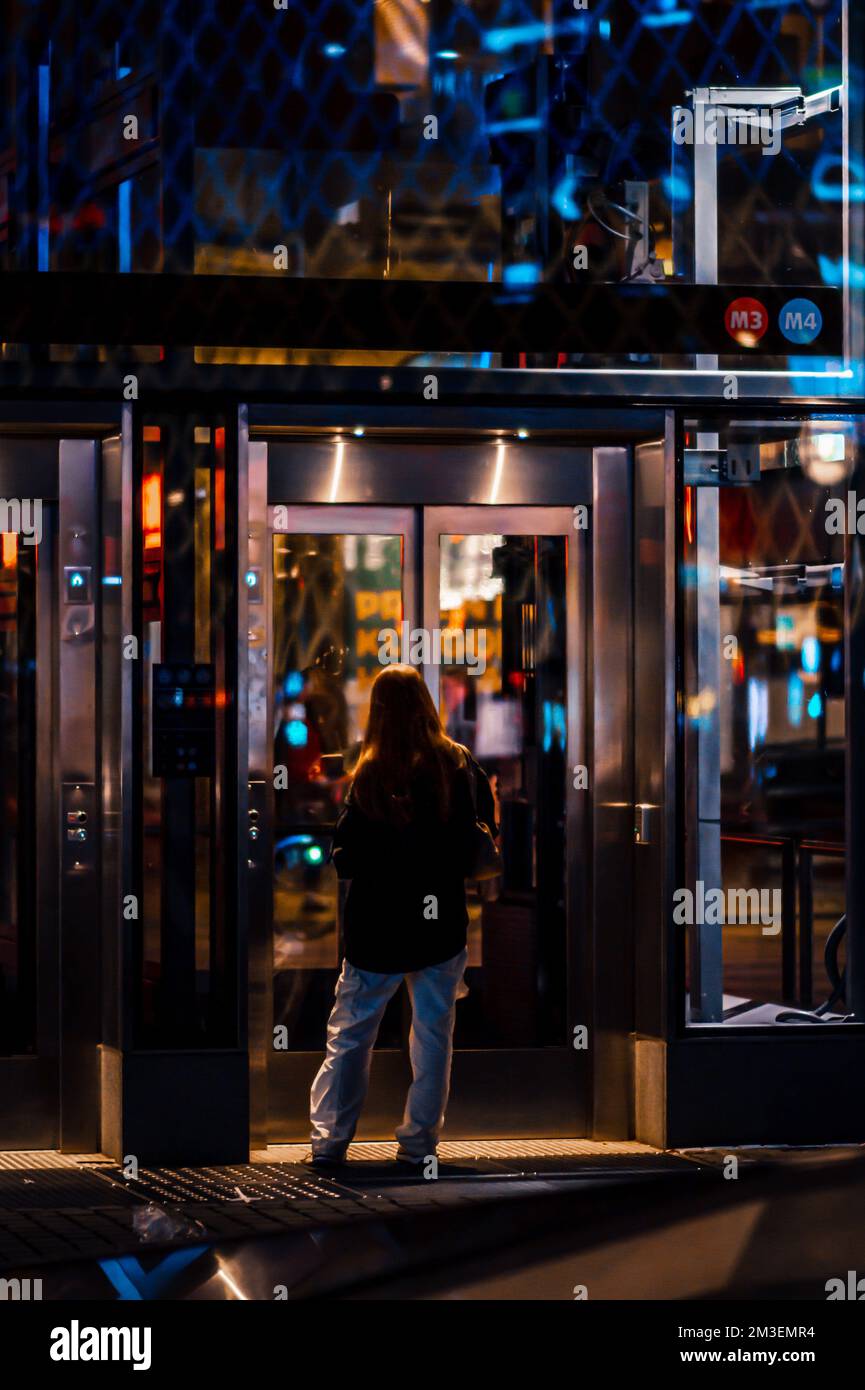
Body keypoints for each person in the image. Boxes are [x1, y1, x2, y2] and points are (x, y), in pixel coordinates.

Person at [308, 663, 497, 1169]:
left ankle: (331, 1141)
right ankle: (418, 1145)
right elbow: (479, 836)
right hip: (439, 923)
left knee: (351, 1034)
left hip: (377, 922)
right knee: (433, 1034)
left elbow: (346, 856)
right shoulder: (456, 763)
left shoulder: (369, 771)